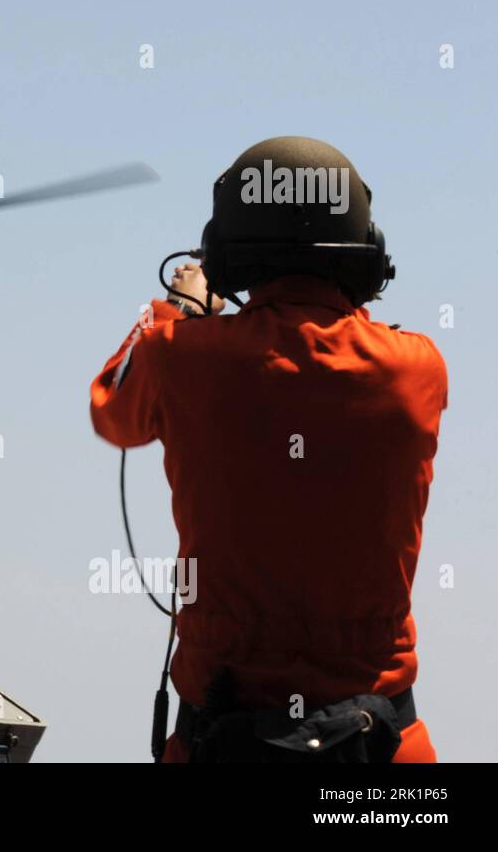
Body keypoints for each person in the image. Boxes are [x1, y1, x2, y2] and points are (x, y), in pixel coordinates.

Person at [90, 137, 447, 762]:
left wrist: (180, 307)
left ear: (229, 250)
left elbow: (114, 412)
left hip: (225, 739)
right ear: (367, 251)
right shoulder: (418, 367)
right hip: (385, 744)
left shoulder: (180, 357)